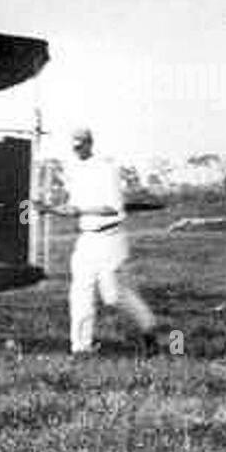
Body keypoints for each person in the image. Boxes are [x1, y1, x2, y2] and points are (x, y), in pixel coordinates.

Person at [42, 128, 161, 355]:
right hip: (86, 240)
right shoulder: (75, 172)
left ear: (90, 143)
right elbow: (73, 208)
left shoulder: (107, 169)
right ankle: (81, 348)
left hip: (111, 238)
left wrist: (80, 209)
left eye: (81, 145)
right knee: (80, 294)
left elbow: (112, 208)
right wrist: (48, 209)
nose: (78, 150)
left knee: (113, 296)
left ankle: (149, 328)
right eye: (74, 146)